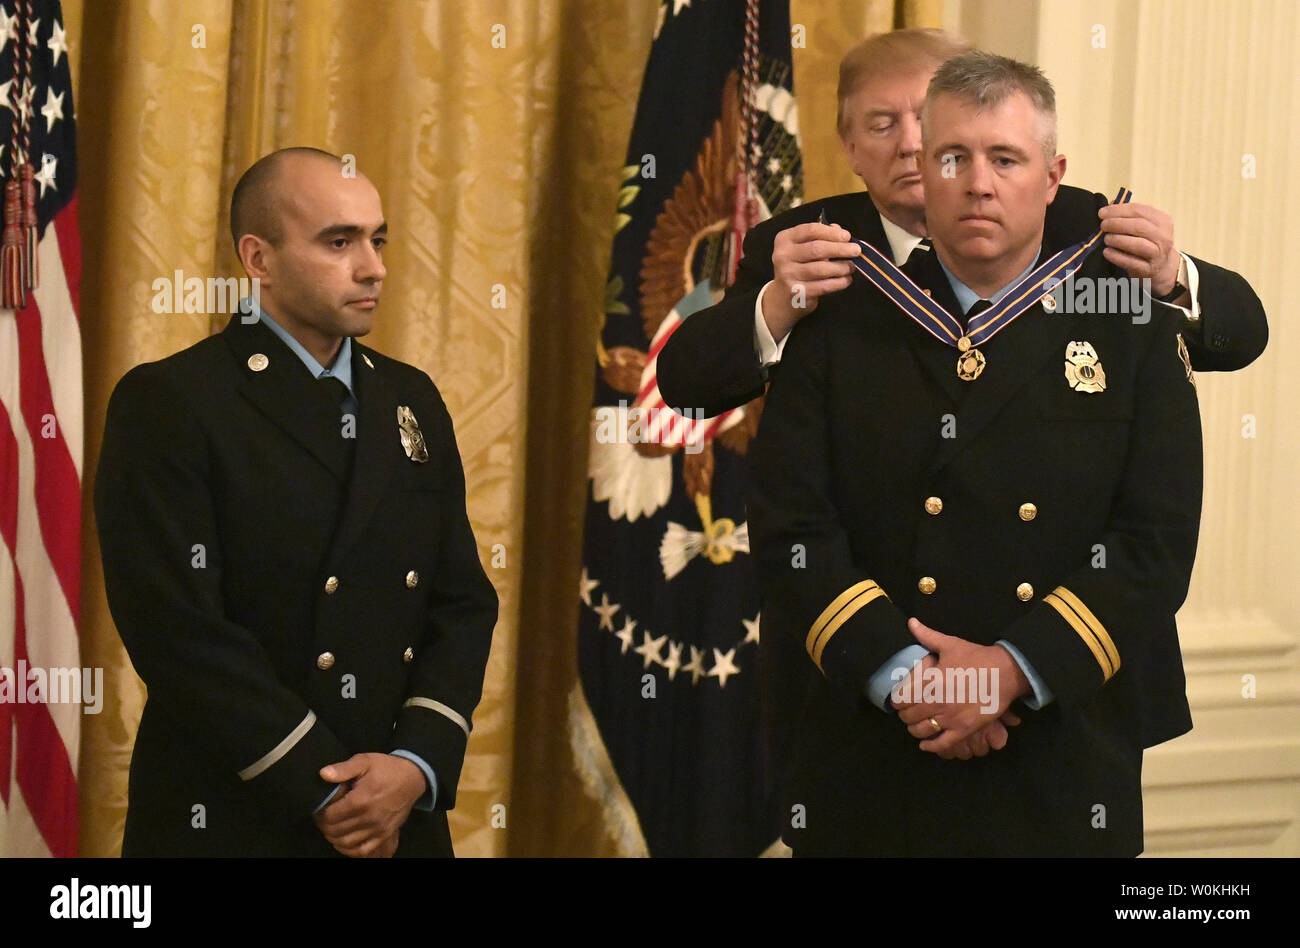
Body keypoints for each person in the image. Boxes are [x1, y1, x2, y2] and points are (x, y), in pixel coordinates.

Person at [747, 52, 1203, 856]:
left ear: (1053, 175)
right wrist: (912, 682)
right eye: (953, 157)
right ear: (923, 168)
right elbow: (792, 528)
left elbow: (1153, 542)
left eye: (1006, 158)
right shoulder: (836, 319)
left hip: (1060, 751)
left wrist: (1009, 673)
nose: (978, 183)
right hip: (872, 750)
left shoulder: (1130, 318)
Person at [95, 147, 498, 857]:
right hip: (240, 812)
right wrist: (328, 789)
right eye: (338, 242)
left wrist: (414, 766)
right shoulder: (173, 402)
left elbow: (459, 601)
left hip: (396, 817)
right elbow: (176, 627)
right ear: (259, 258)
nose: (372, 266)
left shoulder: (411, 400)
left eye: (378, 239)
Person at [657, 29, 1267, 419]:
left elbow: (1243, 338)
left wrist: (1170, 277)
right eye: (880, 125)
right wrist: (775, 307)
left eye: (927, 119)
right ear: (847, 146)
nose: (909, 145)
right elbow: (684, 388)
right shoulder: (805, 246)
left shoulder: (1075, 226)